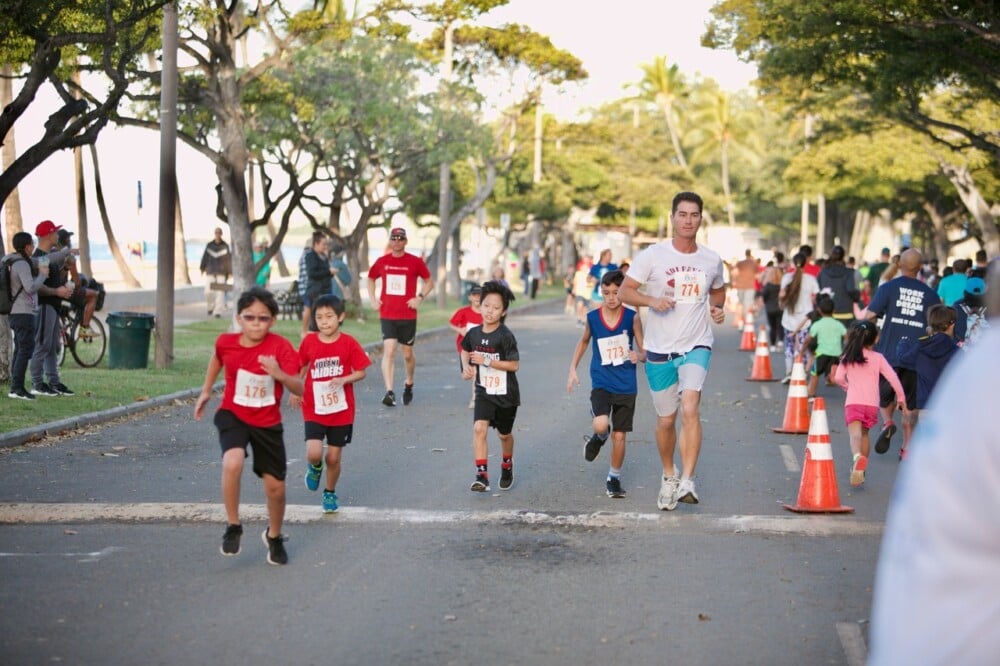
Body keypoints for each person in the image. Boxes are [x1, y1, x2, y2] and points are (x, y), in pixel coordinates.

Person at [867, 266, 1000, 666]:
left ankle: (903, 440)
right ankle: (907, 444)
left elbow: (902, 351)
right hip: (958, 643)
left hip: (916, 637)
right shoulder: (969, 357)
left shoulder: (979, 368)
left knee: (913, 422)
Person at [619, 191, 726, 510]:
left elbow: (718, 291)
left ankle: (688, 481)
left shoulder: (711, 259)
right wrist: (652, 301)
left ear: (701, 219)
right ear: (672, 217)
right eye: (682, 214)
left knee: (691, 406)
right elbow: (626, 291)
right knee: (666, 420)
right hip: (659, 349)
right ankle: (669, 475)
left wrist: (717, 309)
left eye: (694, 215)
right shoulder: (653, 255)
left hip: (697, 344)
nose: (688, 220)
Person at [193, 287, 302, 566]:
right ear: (239, 318)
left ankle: (274, 536)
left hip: (267, 423)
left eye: (263, 318)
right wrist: (206, 390)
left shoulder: (280, 347)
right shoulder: (226, 342)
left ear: (273, 320)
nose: (256, 323)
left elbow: (300, 387)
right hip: (234, 414)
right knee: (232, 461)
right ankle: (233, 524)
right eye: (249, 317)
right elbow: (217, 358)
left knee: (276, 489)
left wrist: (277, 373)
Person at [567, 269, 645, 498]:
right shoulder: (593, 317)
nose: (611, 298)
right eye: (606, 293)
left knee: (620, 436)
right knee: (601, 425)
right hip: (602, 380)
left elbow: (645, 350)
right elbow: (583, 342)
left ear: (624, 293)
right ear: (601, 292)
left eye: (616, 293)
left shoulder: (633, 318)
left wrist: (638, 356)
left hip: (626, 384)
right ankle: (599, 437)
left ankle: (614, 477)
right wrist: (572, 368)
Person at [860, 248, 940, 460]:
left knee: (885, 396)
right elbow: (935, 327)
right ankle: (907, 448)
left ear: (900, 265)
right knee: (910, 405)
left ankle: (887, 422)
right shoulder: (931, 294)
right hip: (916, 356)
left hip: (888, 354)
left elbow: (870, 315)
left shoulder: (888, 287)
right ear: (920, 268)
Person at [295, 294, 371, 514]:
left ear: (341, 317)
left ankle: (329, 491)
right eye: (319, 317)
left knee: (334, 457)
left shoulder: (348, 343)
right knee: (314, 451)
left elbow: (361, 371)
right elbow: (300, 366)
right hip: (314, 406)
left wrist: (343, 380)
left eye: (329, 316)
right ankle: (315, 467)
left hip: (341, 409)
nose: (324, 321)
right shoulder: (309, 342)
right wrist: (296, 388)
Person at [461, 280, 520, 492]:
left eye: (496, 308)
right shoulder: (474, 333)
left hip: (506, 394)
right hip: (484, 391)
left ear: (503, 311)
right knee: (479, 428)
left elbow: (514, 365)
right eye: (486, 306)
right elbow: (465, 349)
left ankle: (507, 463)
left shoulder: (505, 336)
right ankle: (482, 475)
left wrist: (486, 361)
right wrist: (466, 366)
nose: (490, 311)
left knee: (504, 434)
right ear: (480, 305)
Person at [834, 320, 907, 487]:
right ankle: (861, 470)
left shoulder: (848, 356)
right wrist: (901, 397)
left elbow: (838, 378)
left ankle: (856, 458)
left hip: (854, 402)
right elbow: (893, 377)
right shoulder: (878, 358)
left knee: (855, 435)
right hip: (872, 405)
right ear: (875, 339)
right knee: (865, 434)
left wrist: (847, 387)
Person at [367, 227, 434, 407]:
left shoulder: (414, 262)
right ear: (390, 241)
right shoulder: (382, 261)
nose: (397, 241)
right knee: (389, 350)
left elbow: (429, 281)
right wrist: (373, 300)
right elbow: (371, 278)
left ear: (405, 241)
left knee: (406, 354)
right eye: (394, 238)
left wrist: (419, 298)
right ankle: (389, 392)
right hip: (387, 313)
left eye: (400, 238)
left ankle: (409, 381)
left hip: (407, 315)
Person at [29, 220, 77, 397]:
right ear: (48, 235)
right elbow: (37, 286)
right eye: (55, 233)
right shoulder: (40, 257)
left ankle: (54, 382)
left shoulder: (48, 256)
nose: (58, 235)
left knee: (53, 346)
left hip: (53, 307)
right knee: (42, 345)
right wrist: (58, 291)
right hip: (44, 306)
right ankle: (37, 383)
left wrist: (65, 286)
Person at [4, 232, 46, 400]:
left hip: (15, 312)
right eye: (32, 244)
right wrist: (42, 274)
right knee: (25, 349)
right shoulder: (21, 264)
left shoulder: (9, 260)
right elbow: (30, 287)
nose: (33, 246)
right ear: (26, 246)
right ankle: (17, 388)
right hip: (23, 311)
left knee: (20, 348)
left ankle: (16, 386)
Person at [896, 304, 959, 416]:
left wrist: (903, 342)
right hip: (950, 406)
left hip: (926, 406)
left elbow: (903, 359)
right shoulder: (957, 351)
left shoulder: (921, 347)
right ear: (952, 325)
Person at [779, 252, 820, 382]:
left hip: (788, 317)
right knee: (804, 347)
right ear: (805, 264)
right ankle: (803, 372)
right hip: (805, 319)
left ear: (793, 263)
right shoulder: (811, 279)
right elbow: (816, 298)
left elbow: (781, 296)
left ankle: (789, 372)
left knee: (789, 346)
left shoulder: (786, 278)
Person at [795, 295, 846, 398]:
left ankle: (811, 393)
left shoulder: (817, 324)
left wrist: (801, 352)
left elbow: (807, 340)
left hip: (821, 354)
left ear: (819, 310)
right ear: (834, 311)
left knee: (815, 374)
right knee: (831, 371)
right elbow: (847, 337)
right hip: (836, 354)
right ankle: (830, 376)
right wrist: (845, 352)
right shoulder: (838, 324)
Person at [55, 229, 99, 332]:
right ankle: (85, 328)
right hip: (62, 291)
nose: (70, 242)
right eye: (69, 239)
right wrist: (78, 284)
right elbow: (77, 281)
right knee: (93, 295)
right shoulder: (68, 257)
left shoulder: (52, 253)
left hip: (52, 289)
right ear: (65, 241)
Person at [449, 284, 483, 409]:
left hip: (479, 348)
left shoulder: (485, 314)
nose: (477, 298)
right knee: (466, 375)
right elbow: (451, 323)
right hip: (464, 348)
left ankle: (475, 398)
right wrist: (460, 330)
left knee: (476, 372)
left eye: (480, 295)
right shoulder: (464, 311)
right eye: (474, 295)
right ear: (469, 297)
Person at [817, 245, 861, 327]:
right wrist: (857, 298)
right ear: (843, 256)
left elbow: (819, 290)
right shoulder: (849, 272)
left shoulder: (823, 272)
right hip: (845, 312)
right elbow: (850, 289)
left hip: (827, 312)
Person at [199, 227, 231, 318]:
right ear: (214, 234)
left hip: (222, 272)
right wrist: (202, 268)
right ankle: (210, 307)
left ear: (221, 234)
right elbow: (205, 257)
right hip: (210, 271)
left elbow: (228, 259)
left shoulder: (225, 246)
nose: (217, 234)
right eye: (216, 233)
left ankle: (218, 311)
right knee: (207, 292)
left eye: (219, 233)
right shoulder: (209, 245)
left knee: (220, 293)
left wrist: (229, 272)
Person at [952, 276, 989, 348]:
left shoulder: (956, 307)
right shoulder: (993, 307)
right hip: (988, 351)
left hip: (961, 353)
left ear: (965, 292)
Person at [758, 260, 783, 351]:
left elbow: (764, 296)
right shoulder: (782, 285)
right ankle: (780, 341)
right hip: (780, 308)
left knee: (773, 327)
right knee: (780, 325)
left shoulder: (768, 285)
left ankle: (772, 345)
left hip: (770, 308)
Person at [731, 249, 759, 328]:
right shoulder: (754, 263)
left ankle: (740, 322)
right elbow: (757, 276)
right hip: (750, 286)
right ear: (750, 254)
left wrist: (734, 281)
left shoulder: (740, 263)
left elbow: (734, 273)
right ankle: (747, 321)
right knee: (748, 304)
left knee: (741, 304)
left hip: (740, 286)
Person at [297, 238, 314, 338]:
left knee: (309, 308)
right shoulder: (309, 255)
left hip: (303, 287)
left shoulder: (303, 254)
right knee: (308, 308)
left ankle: (307, 329)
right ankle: (304, 330)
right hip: (307, 288)